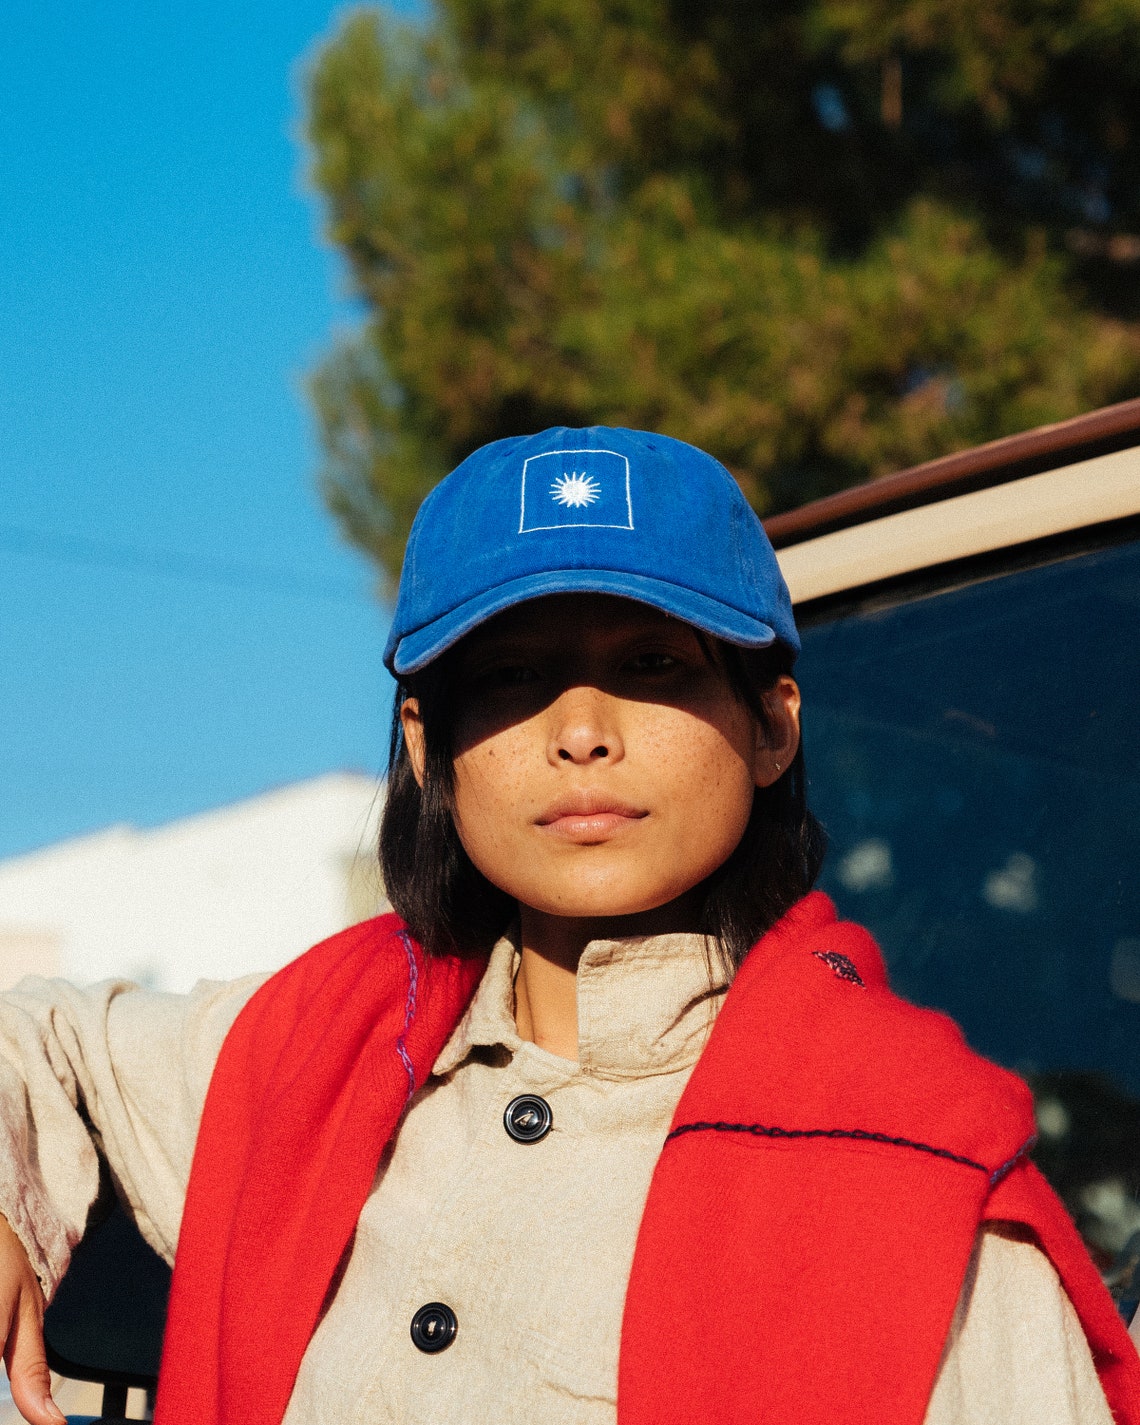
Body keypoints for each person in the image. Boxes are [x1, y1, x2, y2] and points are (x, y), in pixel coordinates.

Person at [0, 427, 1136, 1425]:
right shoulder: (304, 1049)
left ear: (773, 724)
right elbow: (37, 1039)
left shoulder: (918, 1182)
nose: (581, 731)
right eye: (510, 676)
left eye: (652, 664)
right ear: (422, 745)